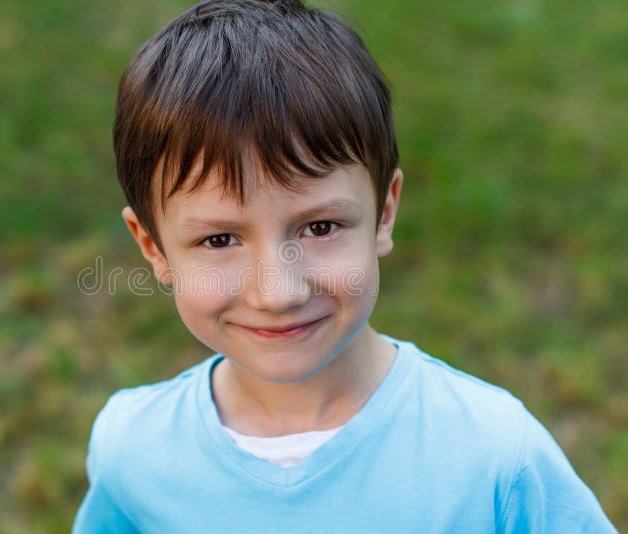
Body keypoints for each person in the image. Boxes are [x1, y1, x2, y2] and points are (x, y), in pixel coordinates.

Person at [73, 0, 617, 531]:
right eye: (219, 239)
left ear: (383, 213)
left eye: (319, 227)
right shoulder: (132, 454)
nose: (277, 291)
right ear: (153, 248)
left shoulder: (494, 457)